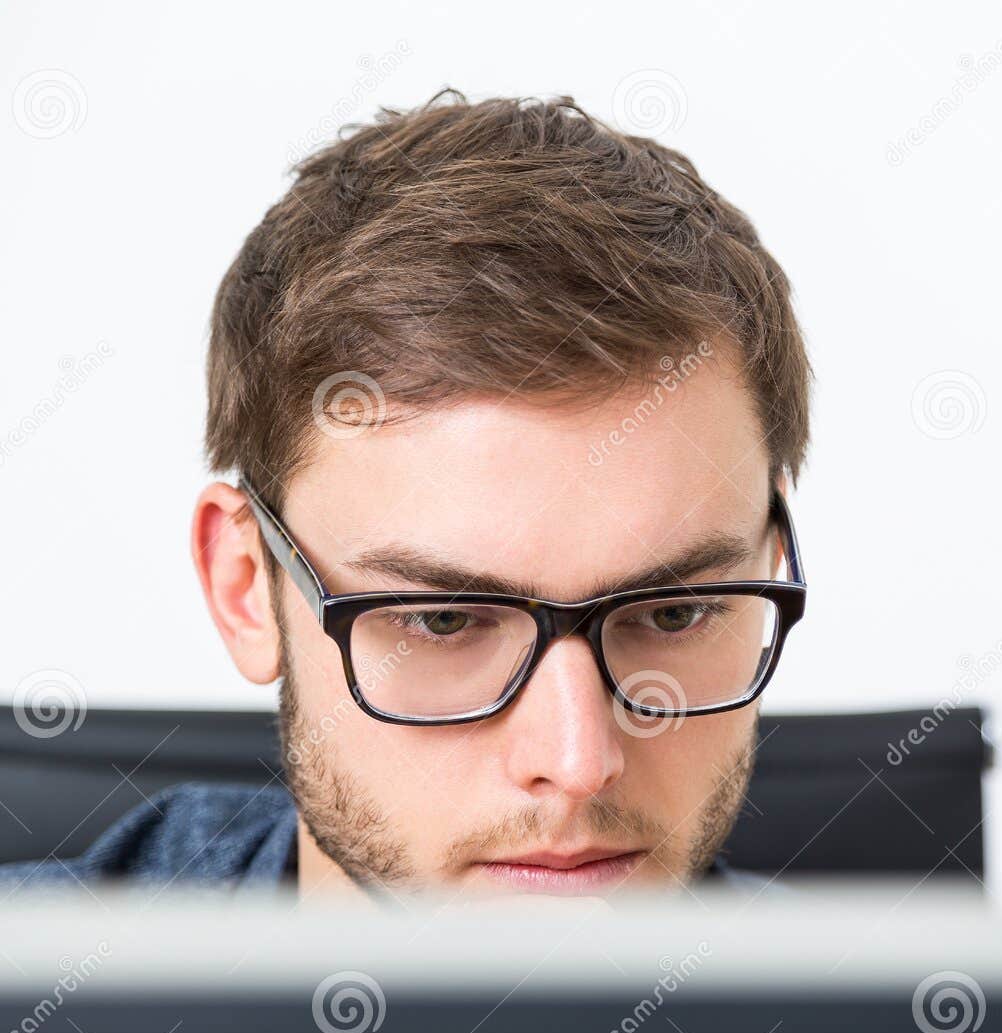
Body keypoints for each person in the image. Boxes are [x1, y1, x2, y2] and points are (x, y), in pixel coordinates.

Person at [0, 89, 811, 902]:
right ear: (245, 587)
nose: (578, 762)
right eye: (443, 620)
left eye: (674, 613)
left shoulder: (910, 1020)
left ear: (771, 557)